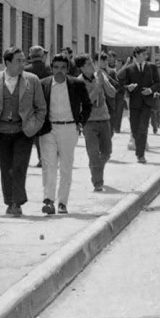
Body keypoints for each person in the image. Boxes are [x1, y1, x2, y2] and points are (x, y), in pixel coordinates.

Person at [0, 47, 47, 217]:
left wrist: (33, 126)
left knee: (18, 167)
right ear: (7, 62)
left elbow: (41, 108)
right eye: (18, 60)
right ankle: (9, 201)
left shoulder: (33, 80)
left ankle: (17, 203)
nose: (23, 64)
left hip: (23, 132)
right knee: (5, 167)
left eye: (24, 60)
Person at [37, 54, 92, 215]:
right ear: (51, 68)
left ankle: (62, 202)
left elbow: (87, 105)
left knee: (66, 167)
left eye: (62, 68)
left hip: (69, 128)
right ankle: (48, 200)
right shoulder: (44, 84)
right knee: (49, 165)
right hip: (48, 130)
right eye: (56, 67)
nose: (59, 71)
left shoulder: (76, 84)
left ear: (67, 69)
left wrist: (80, 122)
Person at [76, 54, 114, 192]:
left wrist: (103, 83)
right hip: (89, 122)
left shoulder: (100, 76)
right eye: (88, 64)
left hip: (104, 118)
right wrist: (96, 88)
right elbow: (86, 102)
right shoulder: (78, 82)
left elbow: (112, 93)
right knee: (93, 153)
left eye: (92, 62)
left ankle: (95, 166)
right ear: (81, 68)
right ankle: (98, 182)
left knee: (107, 152)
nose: (92, 66)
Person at [118, 47, 160, 164]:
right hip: (134, 104)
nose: (145, 56)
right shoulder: (129, 69)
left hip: (147, 104)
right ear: (136, 55)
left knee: (143, 128)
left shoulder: (152, 67)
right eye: (143, 54)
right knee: (135, 129)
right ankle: (139, 150)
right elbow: (121, 84)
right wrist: (128, 87)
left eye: (146, 54)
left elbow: (158, 84)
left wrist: (151, 90)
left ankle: (140, 154)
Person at [25, 45, 52, 167]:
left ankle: (30, 158)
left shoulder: (25, 70)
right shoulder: (48, 69)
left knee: (32, 132)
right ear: (41, 56)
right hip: (47, 103)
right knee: (45, 132)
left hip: (30, 105)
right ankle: (44, 157)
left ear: (30, 56)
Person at [105, 52, 125, 135]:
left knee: (119, 111)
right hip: (112, 93)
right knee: (113, 111)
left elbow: (124, 83)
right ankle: (112, 127)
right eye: (117, 62)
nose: (118, 64)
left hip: (120, 94)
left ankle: (117, 128)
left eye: (120, 63)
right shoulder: (111, 72)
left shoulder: (124, 72)